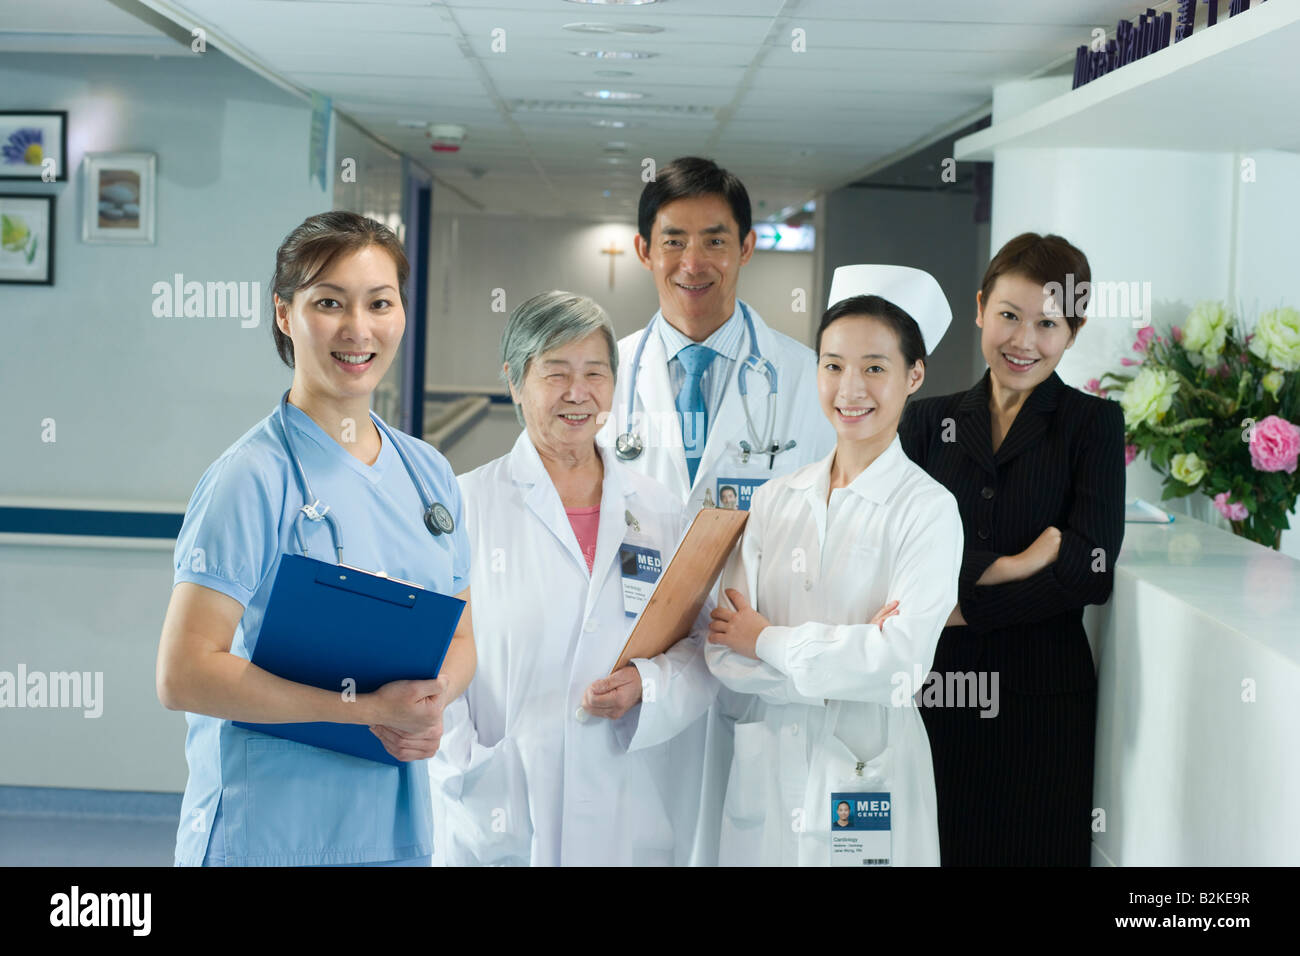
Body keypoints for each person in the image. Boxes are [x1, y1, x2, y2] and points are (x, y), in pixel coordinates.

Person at [156, 211, 474, 866]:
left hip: (391, 828)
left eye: (379, 303)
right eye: (329, 302)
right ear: (284, 313)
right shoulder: (251, 477)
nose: (358, 329)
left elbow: (463, 633)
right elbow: (184, 673)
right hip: (271, 830)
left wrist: (431, 701)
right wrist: (365, 710)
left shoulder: (428, 473)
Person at [597, 156, 836, 863]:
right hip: (634, 673)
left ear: (747, 246)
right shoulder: (604, 374)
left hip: (756, 675)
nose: (692, 262)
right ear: (644, 250)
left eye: (714, 239)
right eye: (673, 240)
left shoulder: (804, 377)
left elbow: (829, 526)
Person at [429, 291, 717, 866]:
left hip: (626, 803)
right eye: (555, 373)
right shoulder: (464, 503)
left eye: (595, 373)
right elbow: (430, 655)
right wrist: (464, 768)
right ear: (514, 380)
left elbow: (701, 644)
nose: (578, 393)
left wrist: (651, 685)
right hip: (500, 808)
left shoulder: (659, 510)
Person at [706, 265, 963, 866]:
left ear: (914, 375)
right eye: (832, 365)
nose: (850, 389)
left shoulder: (928, 510)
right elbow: (722, 649)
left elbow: (901, 666)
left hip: (865, 772)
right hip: (766, 765)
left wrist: (766, 639)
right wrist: (847, 657)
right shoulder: (776, 499)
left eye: (875, 367)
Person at [899, 233, 1126, 866]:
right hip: (936, 692)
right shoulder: (925, 421)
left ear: (1072, 332)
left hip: (1043, 704)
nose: (1023, 341)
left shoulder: (1093, 426)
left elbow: (1088, 572)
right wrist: (1021, 565)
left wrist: (965, 606)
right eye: (1009, 315)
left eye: (1047, 323)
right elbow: (903, 554)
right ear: (979, 309)